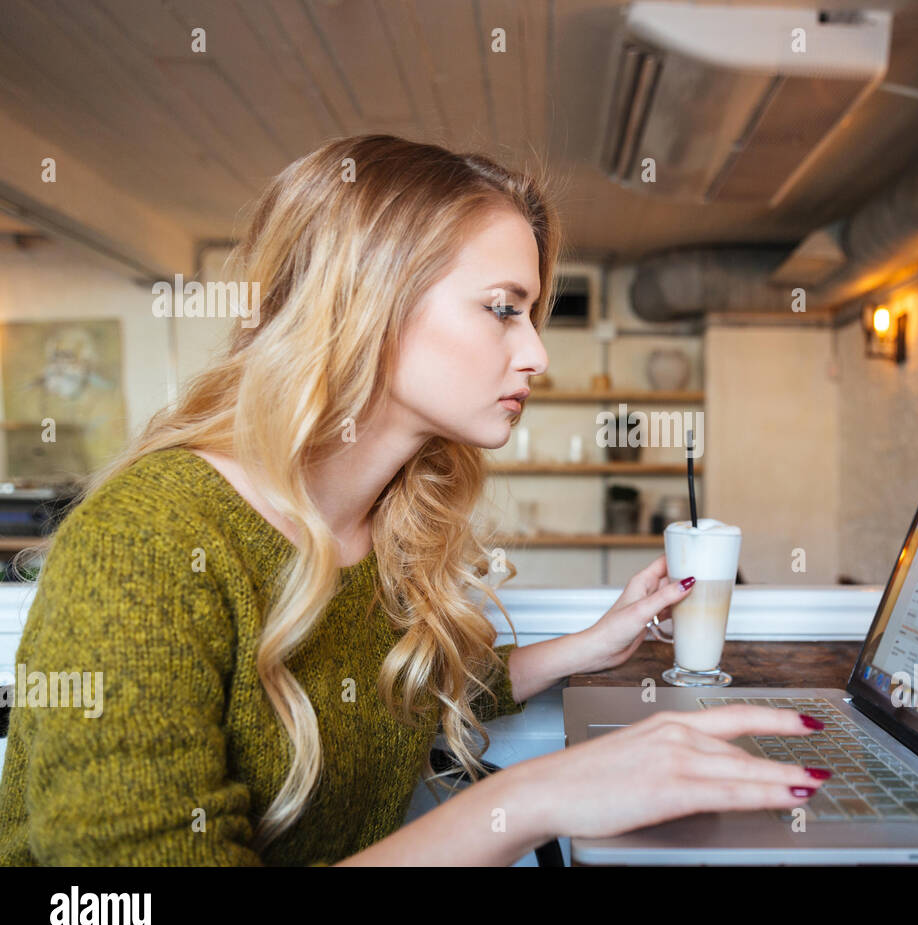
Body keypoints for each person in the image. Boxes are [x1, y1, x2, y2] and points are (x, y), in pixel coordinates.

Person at [0, 134, 829, 866]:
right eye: (504, 309)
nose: (537, 353)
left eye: (532, 313)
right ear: (367, 303)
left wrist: (587, 646)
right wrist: (531, 802)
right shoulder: (146, 542)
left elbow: (400, 695)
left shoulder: (386, 518)